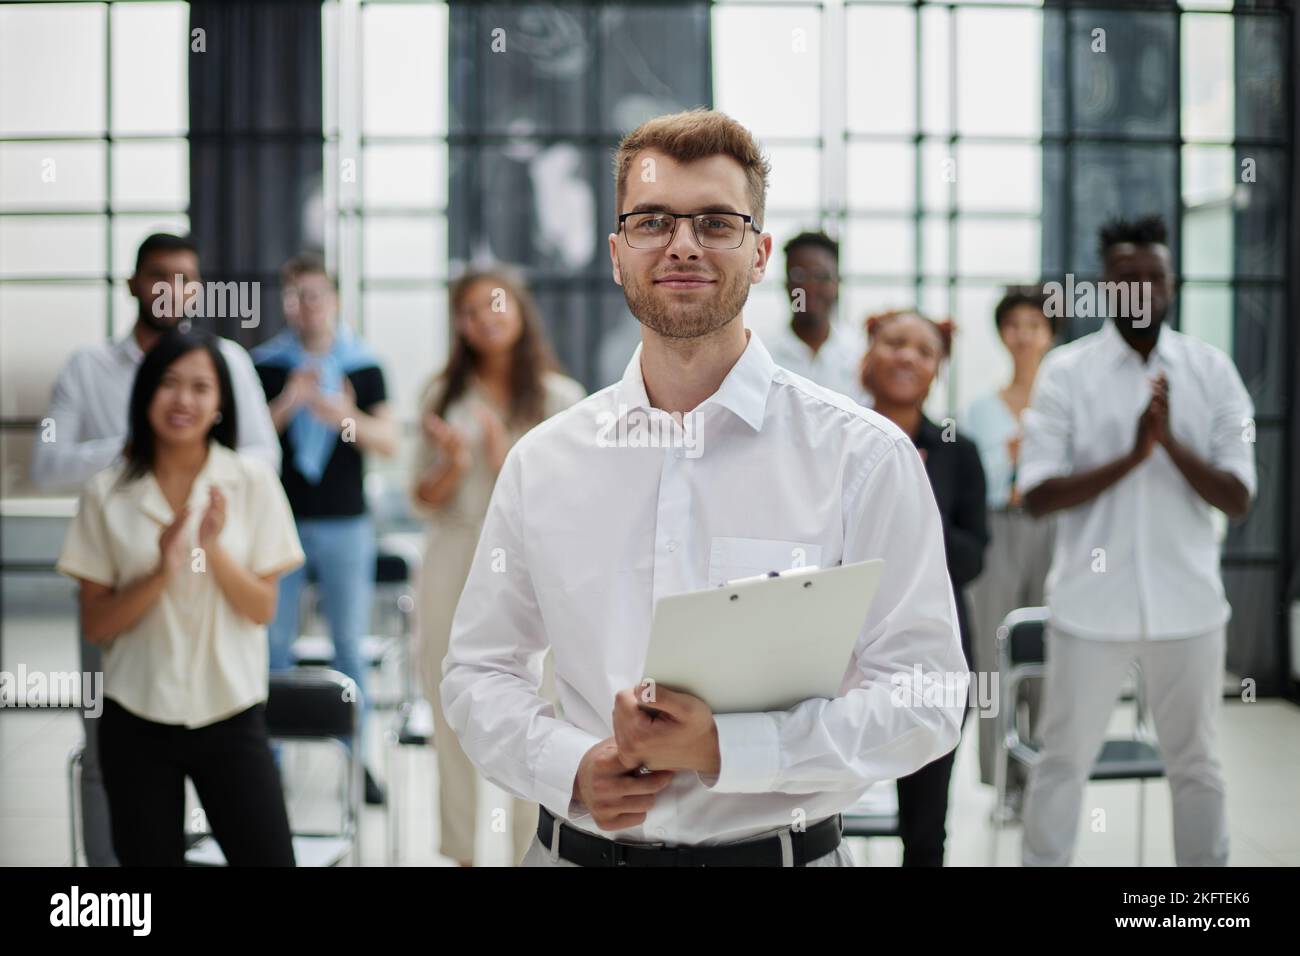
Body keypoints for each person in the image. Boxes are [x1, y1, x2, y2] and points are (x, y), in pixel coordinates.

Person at [441, 108, 967, 867]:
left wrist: (734, 747)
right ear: (618, 253)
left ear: (759, 254)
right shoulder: (544, 462)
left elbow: (928, 694)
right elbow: (477, 672)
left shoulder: (864, 457)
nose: (682, 244)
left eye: (716, 222)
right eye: (653, 221)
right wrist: (568, 765)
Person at [31, 232, 280, 866]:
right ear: (134, 283)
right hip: (135, 693)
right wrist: (139, 451)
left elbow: (261, 461)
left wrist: (209, 534)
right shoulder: (92, 385)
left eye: (200, 389)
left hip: (227, 703)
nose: (185, 400)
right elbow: (46, 464)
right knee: (121, 806)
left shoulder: (242, 469)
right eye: (168, 386)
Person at [1018, 215, 1255, 867]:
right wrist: (1131, 456)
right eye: (1128, 278)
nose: (1143, 289)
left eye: (1155, 276)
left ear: (1172, 284)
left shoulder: (1212, 371)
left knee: (1198, 764)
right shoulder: (1066, 373)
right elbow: (1037, 495)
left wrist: (1169, 445)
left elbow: (1238, 497)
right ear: (1105, 287)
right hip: (1089, 610)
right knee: (1063, 759)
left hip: (1190, 610)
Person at [411, 267, 585, 866]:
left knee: (538, 704)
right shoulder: (442, 396)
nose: (483, 318)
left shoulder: (562, 399)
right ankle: (460, 852)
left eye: (495, 304)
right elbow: (420, 498)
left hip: (535, 563)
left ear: (519, 311)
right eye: (468, 310)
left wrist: (506, 462)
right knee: (448, 703)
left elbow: (583, 501)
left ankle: (528, 850)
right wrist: (454, 467)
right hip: (455, 553)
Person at [253, 253, 398, 806]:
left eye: (315, 294)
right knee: (273, 647)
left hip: (345, 524)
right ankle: (268, 764)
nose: (305, 307)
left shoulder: (363, 366)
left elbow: (388, 442)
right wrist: (292, 400)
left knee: (349, 647)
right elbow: (249, 444)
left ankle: (357, 759)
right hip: (278, 523)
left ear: (335, 299)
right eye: (294, 296)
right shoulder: (265, 366)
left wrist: (339, 411)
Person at [860, 309, 989, 866]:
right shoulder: (835, 436)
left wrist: (912, 498)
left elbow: (971, 558)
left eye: (924, 350)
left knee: (925, 828)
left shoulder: (959, 451)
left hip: (931, 655)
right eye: (894, 343)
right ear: (869, 352)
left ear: (938, 370)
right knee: (811, 814)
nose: (908, 357)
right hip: (838, 649)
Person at [963, 286, 1057, 819]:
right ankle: (1001, 784)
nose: (1025, 335)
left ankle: (1040, 778)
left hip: (1051, 528)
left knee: (1047, 651)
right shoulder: (979, 408)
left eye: (1035, 325)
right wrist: (1010, 459)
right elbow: (976, 484)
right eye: (1015, 324)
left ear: (1049, 335)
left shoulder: (1063, 400)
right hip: (999, 528)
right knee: (994, 656)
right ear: (1003, 334)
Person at [767, 230, 864, 400]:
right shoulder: (764, 355)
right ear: (786, 284)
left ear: (837, 283)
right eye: (798, 275)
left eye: (820, 276)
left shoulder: (860, 354)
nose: (808, 287)